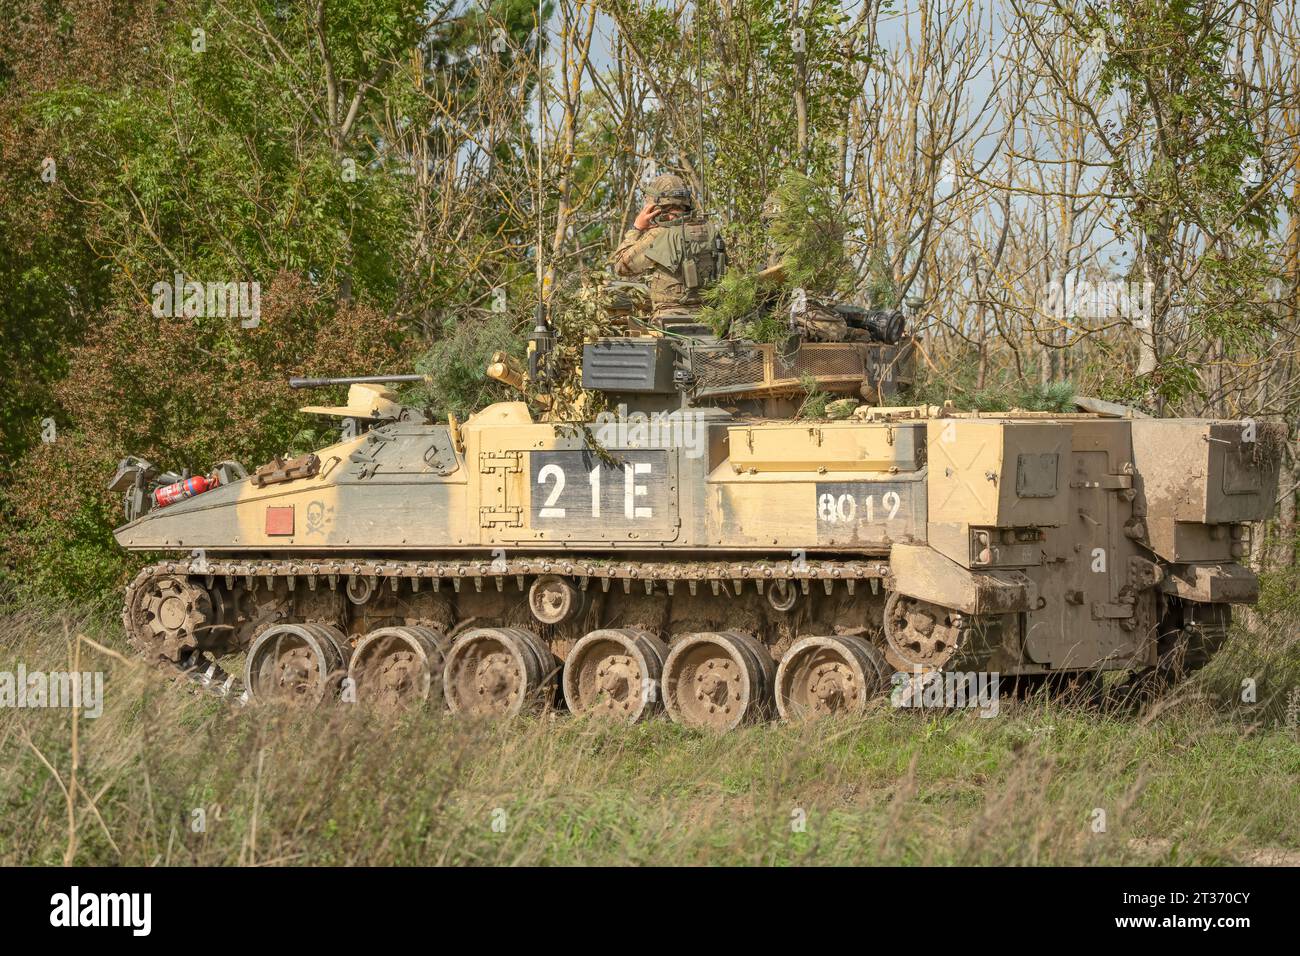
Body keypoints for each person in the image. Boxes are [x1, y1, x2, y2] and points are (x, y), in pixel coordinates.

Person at [611, 173, 723, 328]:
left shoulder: (658, 235)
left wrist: (637, 228)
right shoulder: (711, 231)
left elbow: (621, 267)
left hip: (668, 321)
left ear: (656, 206)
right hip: (710, 319)